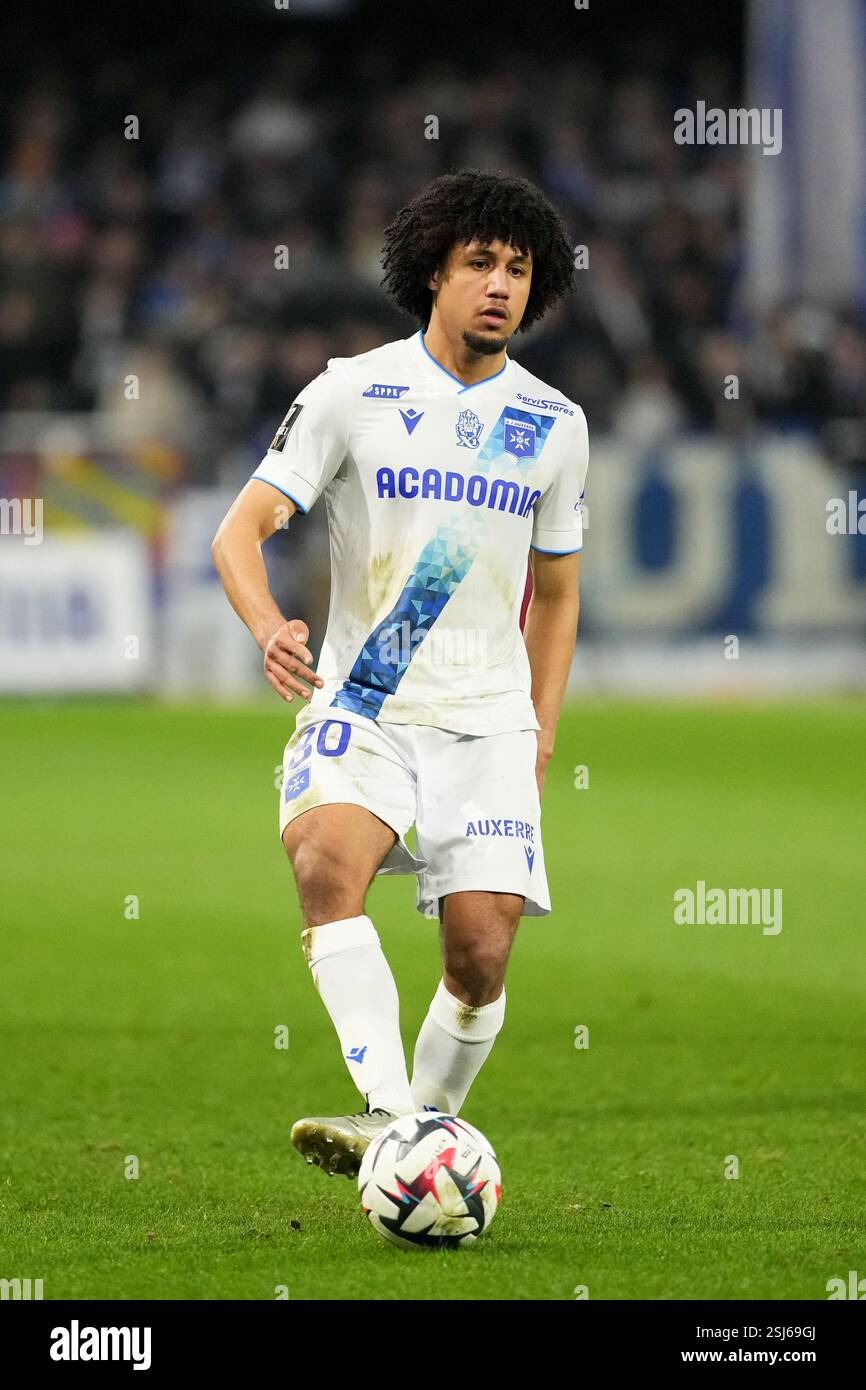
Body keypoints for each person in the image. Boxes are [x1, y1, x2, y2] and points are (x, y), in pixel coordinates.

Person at [211, 170, 588, 1178]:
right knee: (322, 864)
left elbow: (555, 597)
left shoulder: (550, 425)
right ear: (433, 273)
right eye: (478, 264)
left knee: (480, 955)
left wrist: (541, 729)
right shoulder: (351, 390)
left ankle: (424, 1120)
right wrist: (267, 624)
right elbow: (238, 530)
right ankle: (389, 1114)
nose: (498, 285)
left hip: (487, 719)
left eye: (516, 268)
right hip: (365, 697)